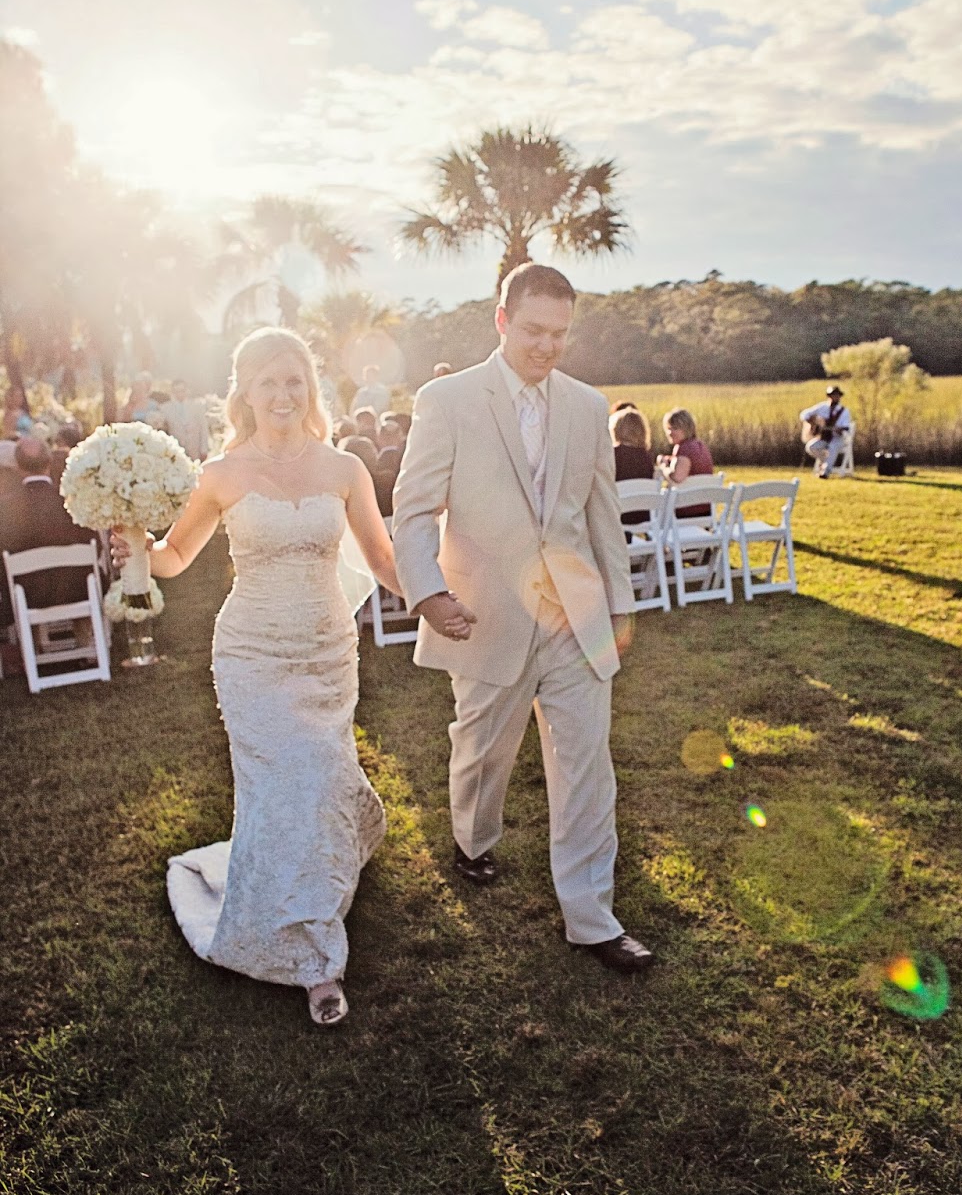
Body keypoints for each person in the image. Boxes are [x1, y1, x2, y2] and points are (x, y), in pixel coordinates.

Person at [110, 327, 467, 1026]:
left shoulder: (343, 470)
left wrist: (434, 597)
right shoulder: (222, 474)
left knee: (313, 782)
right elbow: (177, 556)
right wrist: (137, 547)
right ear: (245, 391)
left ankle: (313, 874)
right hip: (251, 654)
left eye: (294, 380)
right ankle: (316, 963)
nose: (282, 394)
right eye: (268, 381)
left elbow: (384, 558)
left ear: (311, 388)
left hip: (327, 654)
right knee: (290, 783)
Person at [392, 262, 652, 973]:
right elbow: (413, 511)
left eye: (560, 334)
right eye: (534, 329)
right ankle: (473, 840)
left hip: (577, 617)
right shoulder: (446, 400)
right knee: (482, 753)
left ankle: (592, 919)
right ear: (501, 320)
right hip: (484, 614)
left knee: (588, 767)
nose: (546, 346)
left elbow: (602, 516)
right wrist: (427, 593)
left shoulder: (585, 404)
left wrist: (620, 612)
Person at [0, 437, 95, 632]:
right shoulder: (72, 500)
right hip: (79, 591)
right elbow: (94, 544)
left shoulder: (5, 508)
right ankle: (86, 640)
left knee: (18, 575)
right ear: (49, 462)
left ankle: (33, 645)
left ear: (18, 467)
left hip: (28, 597)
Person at [658, 408, 715, 518]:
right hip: (705, 509)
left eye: (674, 428)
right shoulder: (700, 446)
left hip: (687, 510)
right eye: (668, 428)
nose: (670, 432)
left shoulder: (683, 449)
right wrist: (671, 460)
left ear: (685, 429)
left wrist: (663, 467)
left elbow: (677, 477)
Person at [800, 384, 852, 477]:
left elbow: (845, 427)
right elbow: (804, 414)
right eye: (833, 395)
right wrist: (812, 423)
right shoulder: (822, 407)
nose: (835, 397)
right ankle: (825, 461)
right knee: (811, 447)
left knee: (833, 447)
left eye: (837, 395)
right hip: (824, 437)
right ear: (829, 396)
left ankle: (825, 472)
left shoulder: (844, 411)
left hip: (837, 438)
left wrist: (839, 430)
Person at [163, 379, 210, 460]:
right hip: (176, 452)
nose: (180, 393)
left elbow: (204, 428)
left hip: (195, 450)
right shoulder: (165, 408)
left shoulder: (197, 406)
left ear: (187, 390)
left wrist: (204, 450)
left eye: (182, 390)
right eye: (176, 391)